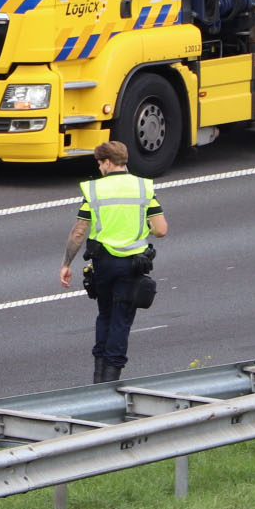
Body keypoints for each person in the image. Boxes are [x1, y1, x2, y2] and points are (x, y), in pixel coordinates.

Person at [59, 139, 168, 382]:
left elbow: (79, 232)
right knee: (122, 319)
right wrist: (140, 228)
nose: (99, 168)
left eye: (99, 163)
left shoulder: (95, 190)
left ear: (108, 162)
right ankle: (110, 380)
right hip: (133, 264)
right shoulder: (143, 188)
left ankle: (98, 380)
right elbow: (160, 229)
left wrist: (67, 264)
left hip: (103, 264)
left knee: (105, 315)